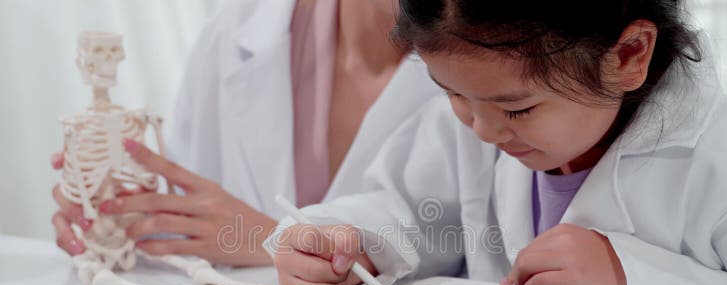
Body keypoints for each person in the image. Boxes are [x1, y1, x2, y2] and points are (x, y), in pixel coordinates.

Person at [272, 0, 727, 285]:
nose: (482, 129)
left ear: (627, 56)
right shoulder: (468, 121)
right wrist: (345, 244)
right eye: (452, 94)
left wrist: (632, 276)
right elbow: (401, 210)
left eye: (519, 107)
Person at [50, 0, 439, 267]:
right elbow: (190, 217)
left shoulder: (486, 77)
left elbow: (472, 258)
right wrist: (121, 214)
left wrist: (270, 240)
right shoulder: (238, 27)